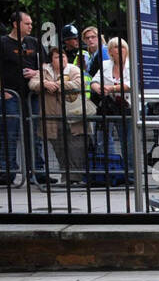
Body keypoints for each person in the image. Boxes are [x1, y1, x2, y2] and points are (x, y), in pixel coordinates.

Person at [1, 10, 50, 186]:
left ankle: (37, 171)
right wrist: (3, 91)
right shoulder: (3, 42)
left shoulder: (33, 42)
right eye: (27, 23)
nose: (31, 26)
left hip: (31, 93)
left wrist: (36, 72)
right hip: (10, 94)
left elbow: (46, 66)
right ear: (16, 24)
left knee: (34, 133)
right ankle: (7, 171)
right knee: (9, 133)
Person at [30, 47, 89, 186]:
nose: (61, 59)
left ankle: (75, 178)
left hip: (73, 115)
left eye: (63, 56)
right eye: (57, 57)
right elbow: (32, 83)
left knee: (76, 147)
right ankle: (66, 177)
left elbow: (80, 83)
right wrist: (45, 83)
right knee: (59, 148)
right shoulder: (44, 70)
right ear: (51, 60)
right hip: (52, 117)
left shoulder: (73, 69)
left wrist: (59, 84)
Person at [90, 37, 133, 176]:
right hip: (109, 107)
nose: (119, 50)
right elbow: (94, 81)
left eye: (122, 47)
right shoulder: (105, 65)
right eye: (115, 47)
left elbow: (131, 84)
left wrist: (111, 88)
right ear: (110, 51)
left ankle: (131, 173)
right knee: (104, 140)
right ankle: (110, 171)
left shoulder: (131, 65)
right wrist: (98, 88)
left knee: (128, 142)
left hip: (128, 107)